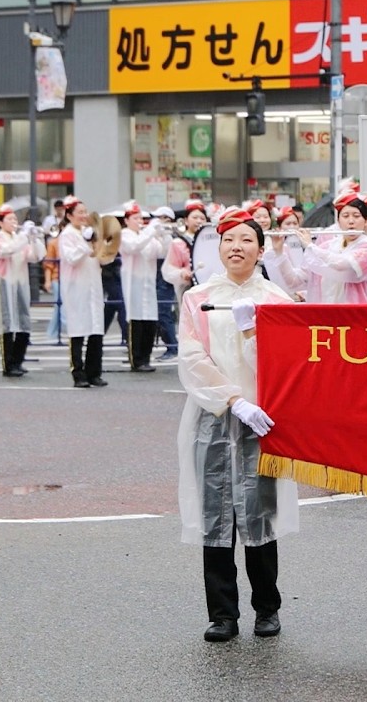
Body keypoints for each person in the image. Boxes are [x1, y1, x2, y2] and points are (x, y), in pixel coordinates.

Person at [177, 205, 297, 642]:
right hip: (212, 417)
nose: (237, 247)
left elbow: (285, 367)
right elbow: (191, 358)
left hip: (261, 420)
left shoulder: (277, 302)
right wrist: (231, 399)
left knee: (259, 513)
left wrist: (253, 336)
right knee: (216, 515)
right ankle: (222, 614)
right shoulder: (198, 298)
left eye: (247, 239)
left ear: (261, 250)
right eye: (228, 239)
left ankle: (267, 607)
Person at [273, 191, 367, 304]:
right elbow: (294, 282)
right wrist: (279, 252)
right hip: (324, 317)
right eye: (345, 216)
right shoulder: (326, 246)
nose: (351, 221)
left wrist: (310, 246)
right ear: (338, 221)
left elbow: (343, 265)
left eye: (356, 216)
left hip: (355, 316)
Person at [58, 196, 107, 389]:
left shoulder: (90, 233)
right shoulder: (67, 234)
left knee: (96, 329)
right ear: (69, 216)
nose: (84, 216)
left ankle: (94, 372)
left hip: (93, 285)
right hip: (76, 288)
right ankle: (78, 373)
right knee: (78, 330)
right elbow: (71, 258)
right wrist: (85, 244)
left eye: (85, 212)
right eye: (80, 213)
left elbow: (102, 258)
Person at [0, 204, 44, 377]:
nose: (14, 222)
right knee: (7, 323)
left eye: (15, 218)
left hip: (20, 282)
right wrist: (23, 237)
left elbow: (35, 256)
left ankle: (18, 360)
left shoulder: (19, 237)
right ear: (0, 222)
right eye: (10, 219)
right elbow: (6, 251)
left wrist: (35, 240)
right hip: (5, 281)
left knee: (23, 321)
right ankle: (8, 364)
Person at [118, 201, 168, 372]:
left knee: (150, 323)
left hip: (148, 285)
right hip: (133, 283)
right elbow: (134, 247)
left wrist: (163, 235)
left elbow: (162, 252)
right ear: (126, 220)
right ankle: (136, 360)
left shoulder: (147, 235)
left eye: (141, 217)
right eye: (135, 218)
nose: (139, 221)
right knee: (136, 321)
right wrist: (150, 230)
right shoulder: (125, 234)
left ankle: (146, 358)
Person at [151, 206, 180, 362]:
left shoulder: (170, 237)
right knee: (161, 312)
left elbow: (163, 253)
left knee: (164, 312)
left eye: (160, 218)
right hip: (159, 276)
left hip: (165, 279)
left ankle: (172, 347)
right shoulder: (161, 235)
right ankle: (170, 346)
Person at [262, 207, 308, 301]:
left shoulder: (305, 246)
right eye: (288, 223)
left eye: (295, 223)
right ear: (280, 227)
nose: (292, 227)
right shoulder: (272, 251)